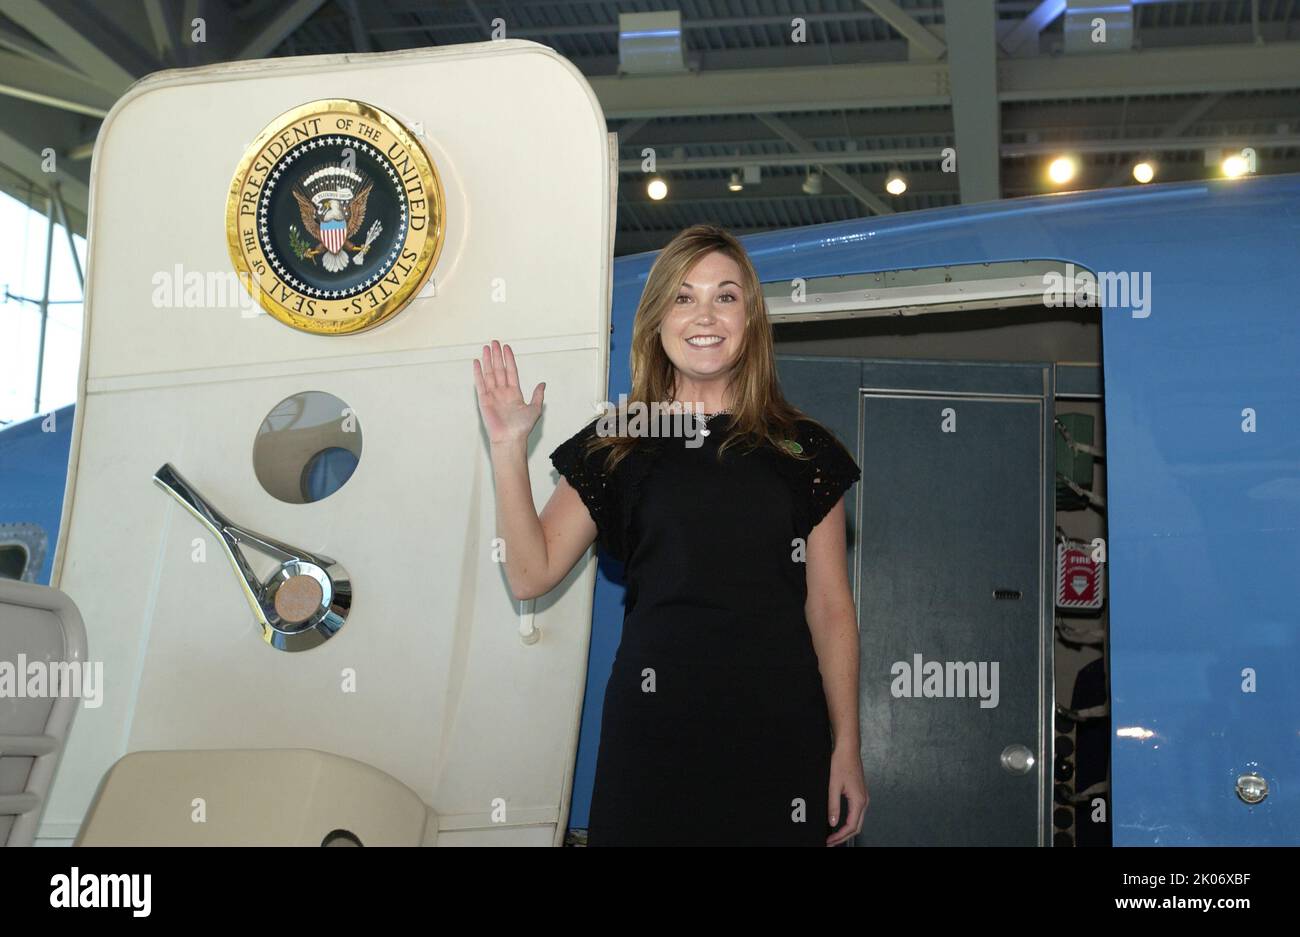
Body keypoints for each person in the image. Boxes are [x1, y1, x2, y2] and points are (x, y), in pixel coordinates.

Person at [473, 223, 869, 846]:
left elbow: (831, 608)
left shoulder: (805, 450)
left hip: (779, 733)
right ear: (657, 319)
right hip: (654, 735)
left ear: (751, 319)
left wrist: (847, 745)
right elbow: (530, 571)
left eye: (725, 296)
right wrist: (506, 447)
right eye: (683, 297)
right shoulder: (617, 439)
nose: (704, 315)